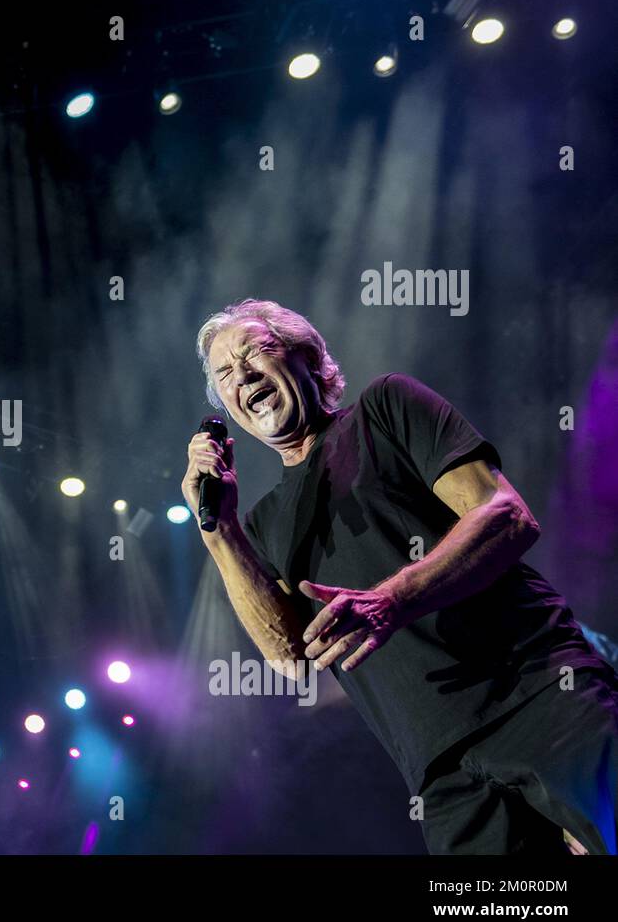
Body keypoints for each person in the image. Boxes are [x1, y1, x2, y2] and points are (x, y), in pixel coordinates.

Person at [182, 298, 618, 854]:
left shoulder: (386, 408)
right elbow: (293, 659)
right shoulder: (263, 524)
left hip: (537, 695)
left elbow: (506, 516)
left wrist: (391, 599)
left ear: (308, 359)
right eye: (225, 374)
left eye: (256, 352)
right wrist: (219, 530)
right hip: (440, 770)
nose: (241, 375)